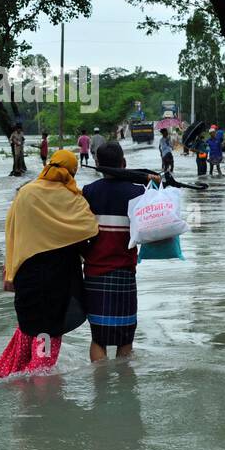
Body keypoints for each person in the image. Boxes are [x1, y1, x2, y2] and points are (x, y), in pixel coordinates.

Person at [0, 149, 98, 377]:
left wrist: (9, 270)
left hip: (27, 274)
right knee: (46, 334)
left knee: (30, 327)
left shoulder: (26, 194)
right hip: (59, 278)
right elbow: (89, 227)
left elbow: (12, 232)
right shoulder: (72, 198)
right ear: (71, 172)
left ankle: (18, 381)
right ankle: (41, 393)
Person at [81, 141, 149, 362]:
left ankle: (100, 389)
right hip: (124, 271)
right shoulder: (137, 192)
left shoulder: (89, 192)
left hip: (94, 271)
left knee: (98, 338)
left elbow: (80, 232)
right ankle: (123, 389)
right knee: (125, 337)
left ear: (97, 164)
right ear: (124, 163)